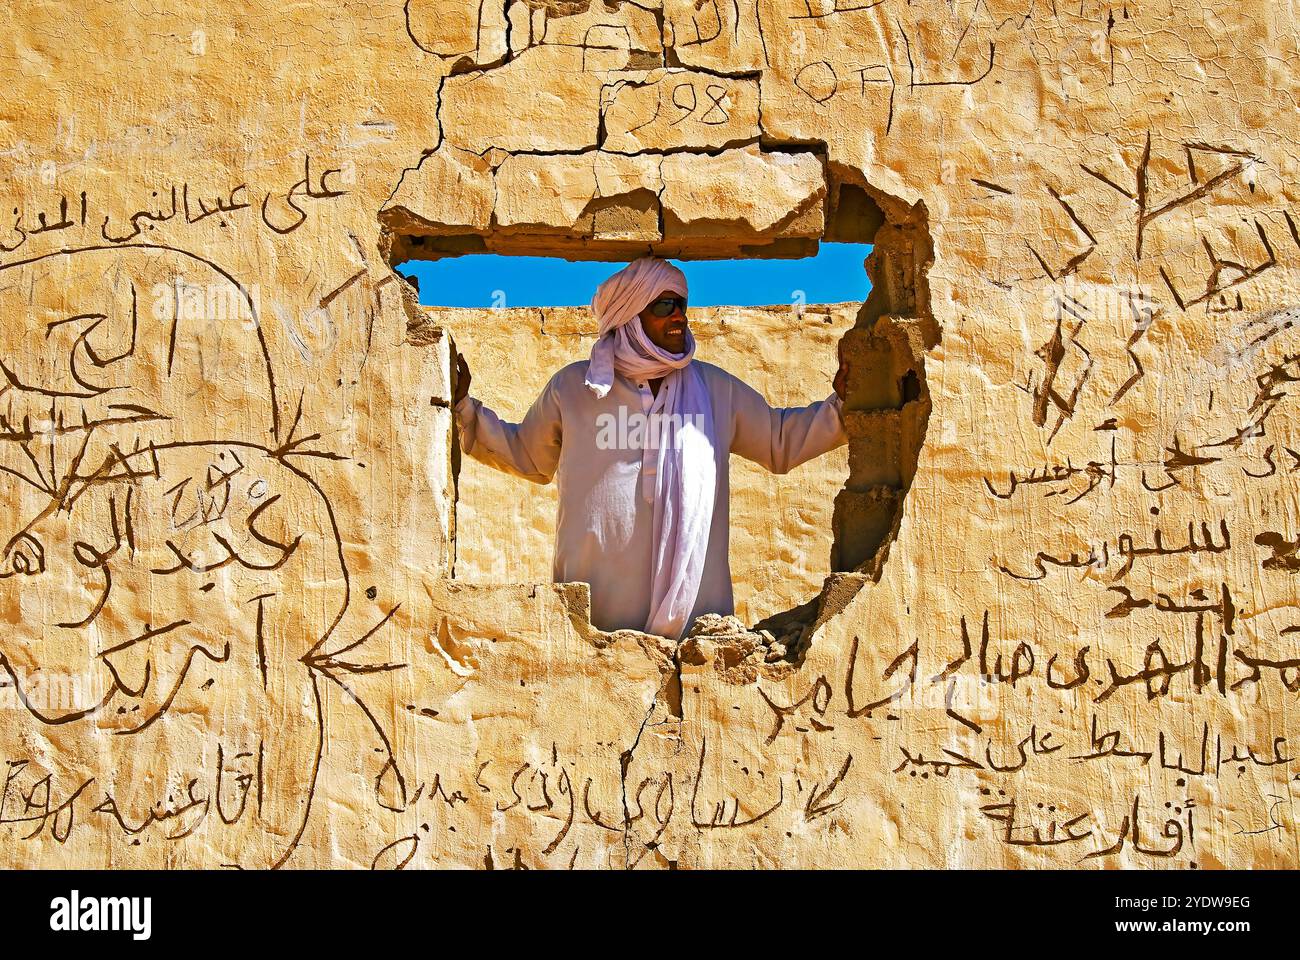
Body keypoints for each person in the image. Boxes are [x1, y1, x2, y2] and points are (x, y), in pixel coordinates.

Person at [452, 256, 849, 641]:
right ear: (629, 315)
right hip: (591, 627)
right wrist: (463, 411)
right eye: (664, 305)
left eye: (682, 305)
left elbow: (779, 441)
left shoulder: (715, 389)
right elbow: (528, 456)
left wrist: (844, 405)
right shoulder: (574, 388)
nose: (680, 316)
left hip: (696, 633)